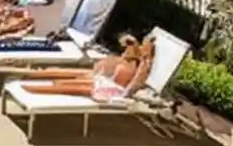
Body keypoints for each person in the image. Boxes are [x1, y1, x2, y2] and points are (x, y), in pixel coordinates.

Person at [20, 34, 154, 102]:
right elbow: (126, 47)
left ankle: (33, 88)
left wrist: (145, 58)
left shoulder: (139, 67)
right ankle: (31, 76)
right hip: (102, 80)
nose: (127, 50)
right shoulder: (128, 60)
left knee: (66, 85)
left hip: (110, 89)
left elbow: (134, 82)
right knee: (65, 75)